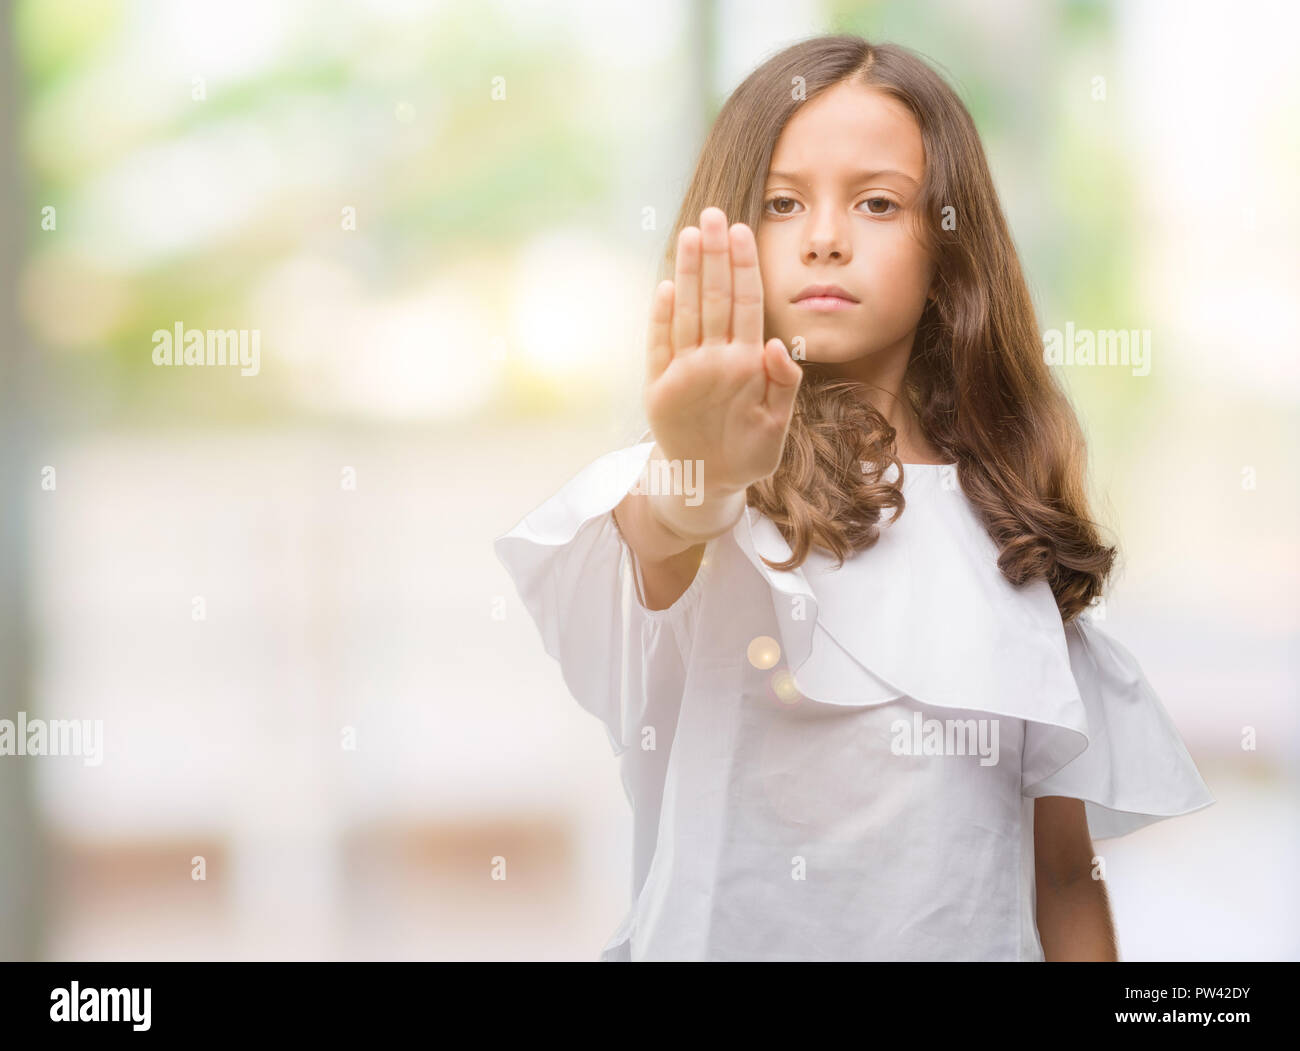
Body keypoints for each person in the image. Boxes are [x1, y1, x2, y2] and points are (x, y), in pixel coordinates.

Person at [494, 35, 1214, 961]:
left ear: (948, 243)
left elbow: (1065, 878)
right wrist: (704, 472)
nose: (826, 234)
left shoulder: (1007, 531)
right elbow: (661, 534)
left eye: (877, 202)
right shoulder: (706, 487)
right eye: (783, 202)